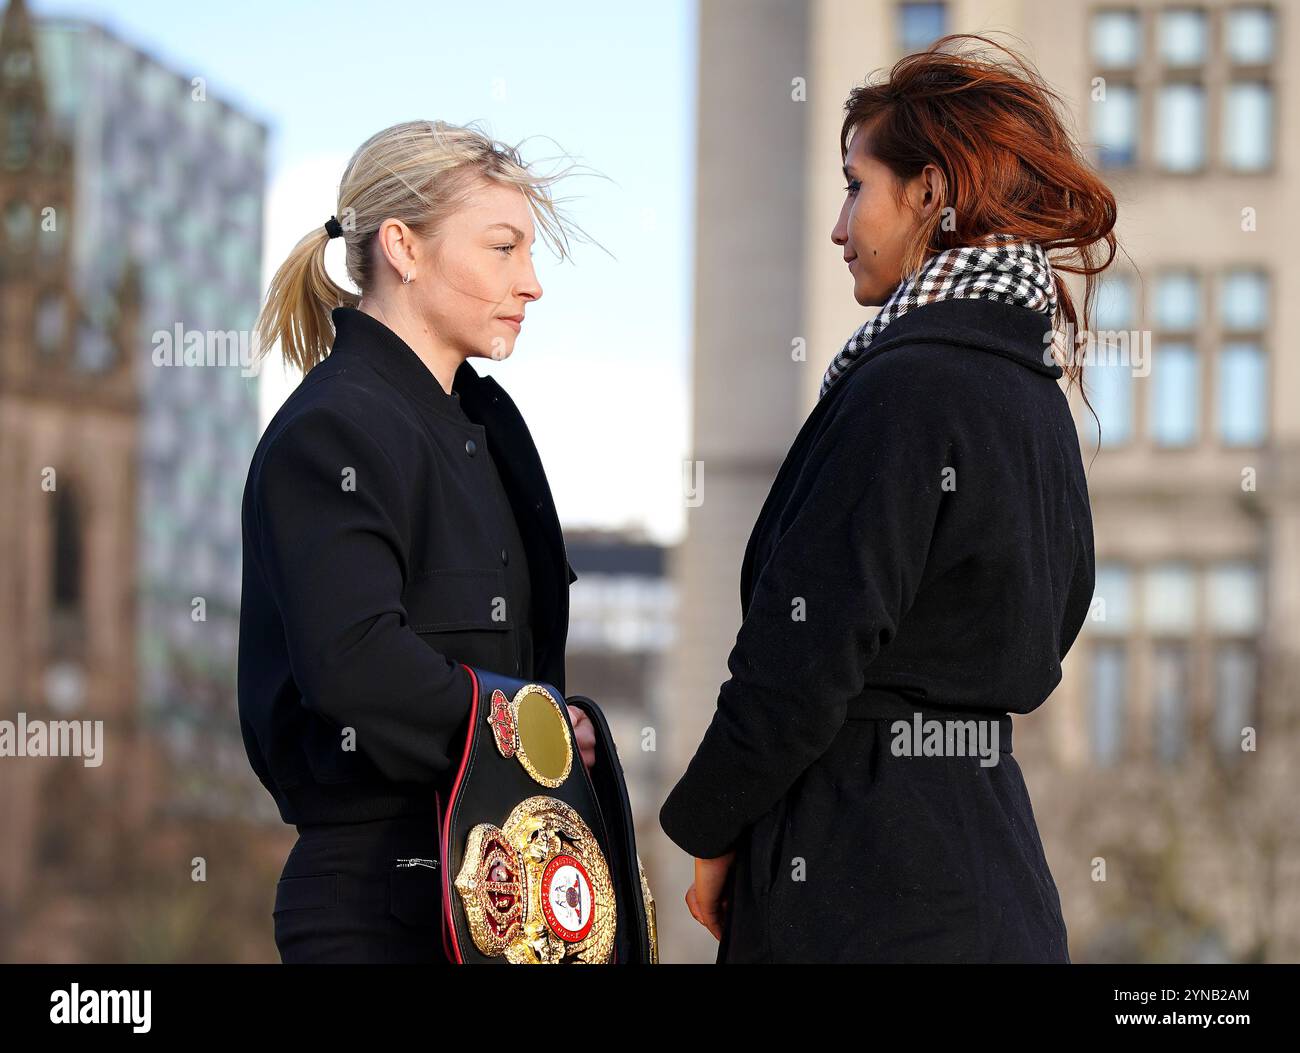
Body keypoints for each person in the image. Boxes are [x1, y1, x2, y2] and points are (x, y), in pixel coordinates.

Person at [659, 35, 1115, 963]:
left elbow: (803, 651)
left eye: (855, 186)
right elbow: (1056, 621)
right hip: (996, 866)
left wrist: (711, 826)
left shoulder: (906, 387)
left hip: (860, 874)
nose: (838, 225)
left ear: (931, 191)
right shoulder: (1037, 396)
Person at [238, 120, 598, 963]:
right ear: (402, 246)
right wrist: (528, 724)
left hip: (504, 893)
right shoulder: (332, 430)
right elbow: (354, 661)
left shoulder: (487, 428)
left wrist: (556, 724)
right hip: (382, 901)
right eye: (504, 248)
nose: (533, 283)